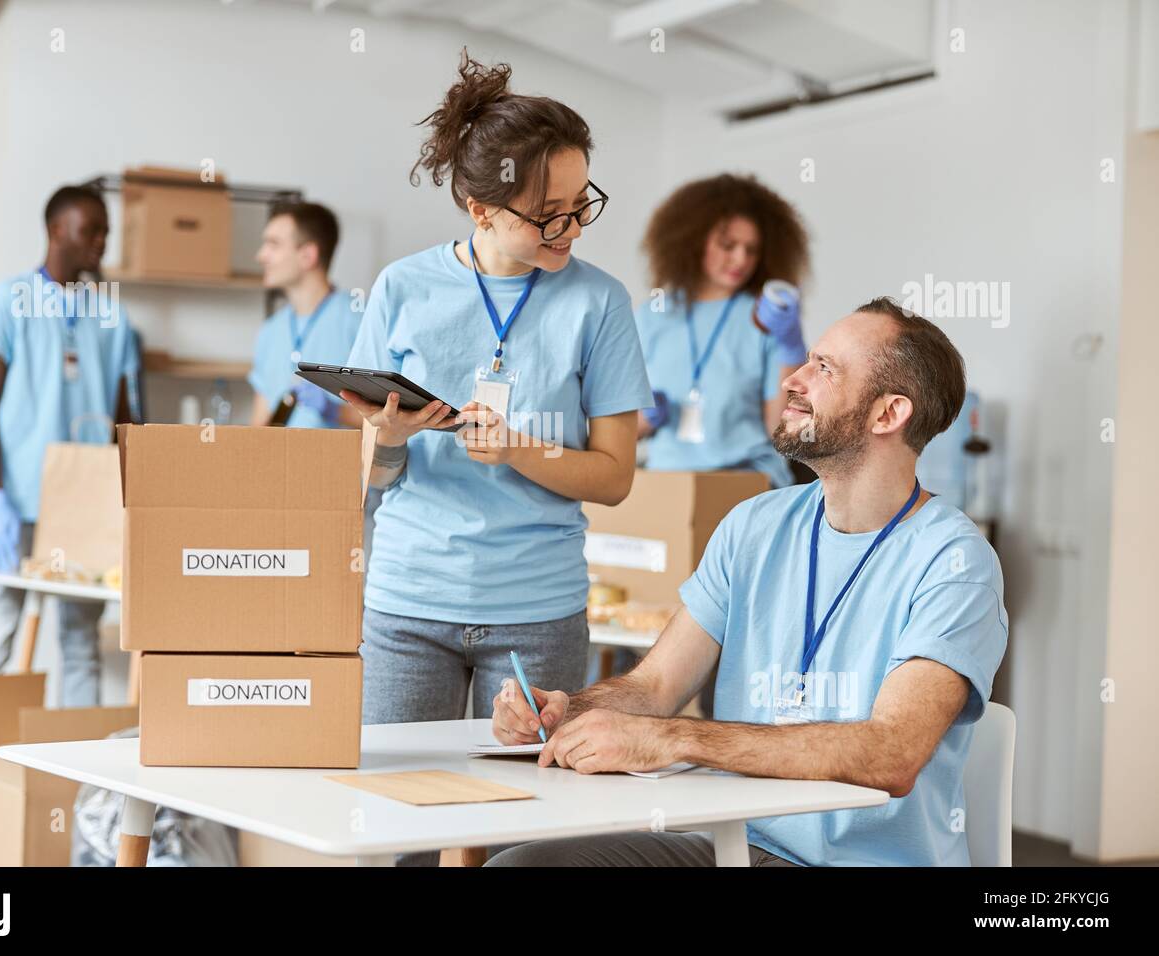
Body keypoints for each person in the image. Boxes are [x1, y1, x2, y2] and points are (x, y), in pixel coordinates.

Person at [488, 298, 1008, 867]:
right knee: (522, 866)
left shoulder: (956, 562)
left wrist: (676, 739)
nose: (793, 379)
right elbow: (656, 685)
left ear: (888, 414)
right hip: (735, 845)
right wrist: (568, 709)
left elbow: (891, 752)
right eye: (808, 361)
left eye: (825, 369)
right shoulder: (755, 524)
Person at [341, 50, 652, 807]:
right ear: (481, 210)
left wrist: (516, 446)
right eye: (548, 213)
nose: (572, 226)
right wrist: (390, 440)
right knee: (392, 820)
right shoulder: (403, 289)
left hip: (537, 613)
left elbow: (613, 477)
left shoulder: (599, 303)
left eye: (582, 203)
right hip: (407, 603)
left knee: (524, 826)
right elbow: (369, 482)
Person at [0, 185, 138, 707]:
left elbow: (127, 421)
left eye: (107, 231)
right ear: (56, 229)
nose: (102, 242)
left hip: (85, 508)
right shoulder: (4, 302)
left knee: (79, 642)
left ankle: (74, 780)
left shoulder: (114, 319)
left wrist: (129, 503)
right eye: (92, 230)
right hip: (15, 504)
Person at [636, 174, 809, 489]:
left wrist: (791, 348)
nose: (740, 259)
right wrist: (641, 421)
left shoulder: (765, 316)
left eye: (751, 249)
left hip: (745, 481)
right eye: (728, 245)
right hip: (666, 481)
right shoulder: (652, 315)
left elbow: (779, 430)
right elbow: (615, 432)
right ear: (693, 241)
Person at [248, 200, 362, 428]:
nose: (261, 256)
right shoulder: (270, 330)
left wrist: (334, 411)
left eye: (273, 244)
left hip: (338, 462)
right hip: (280, 462)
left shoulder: (359, 319)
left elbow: (393, 418)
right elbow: (259, 423)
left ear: (307, 255)